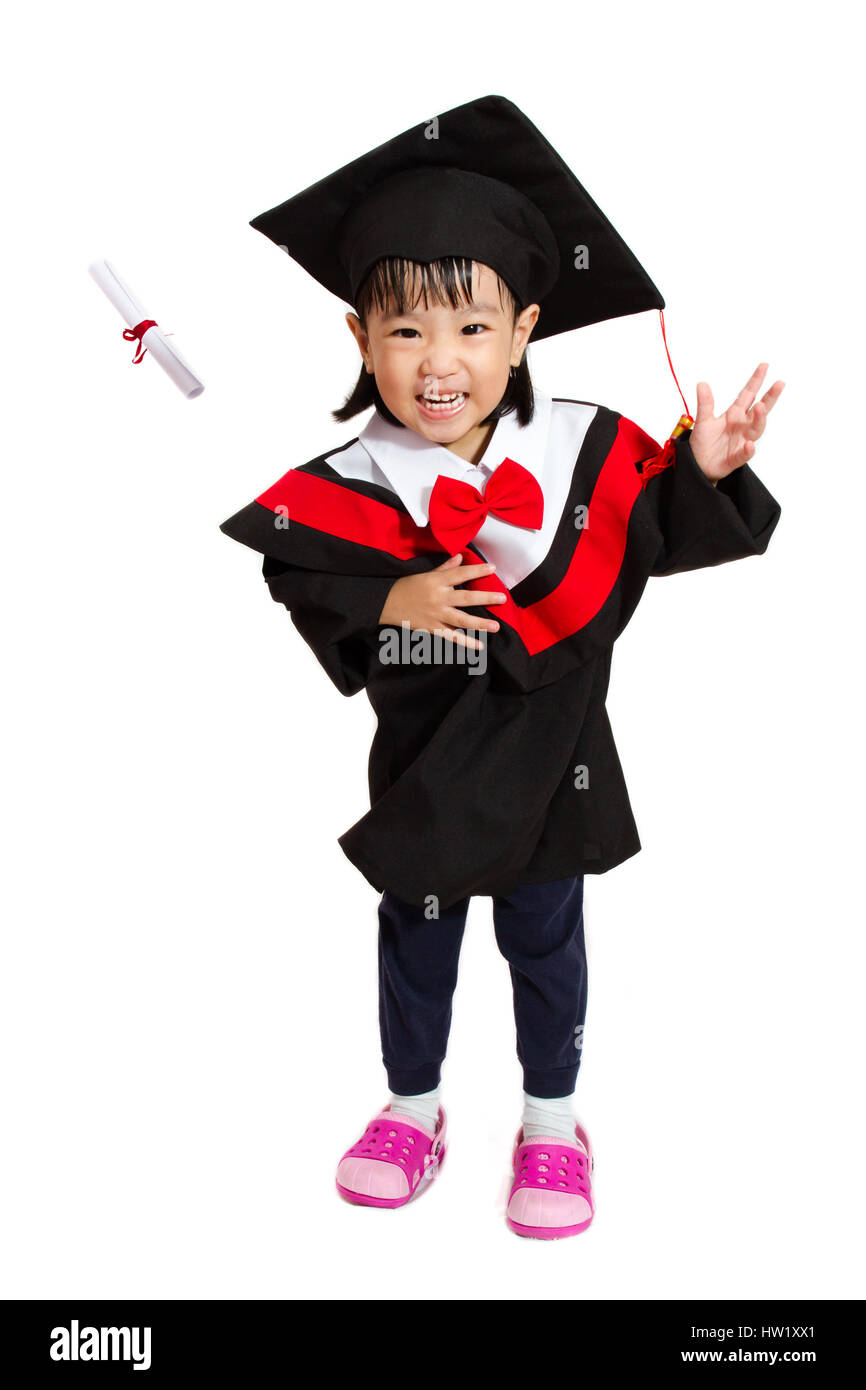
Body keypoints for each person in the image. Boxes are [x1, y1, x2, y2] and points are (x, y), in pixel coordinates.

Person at [220, 95, 783, 1239]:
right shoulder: (346, 482)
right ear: (358, 340)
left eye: (471, 329)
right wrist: (394, 594)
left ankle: (551, 1122)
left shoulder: (587, 447)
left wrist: (706, 472)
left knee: (543, 939)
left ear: (523, 328)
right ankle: (411, 1108)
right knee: (416, 935)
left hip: (554, 760)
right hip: (426, 761)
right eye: (406, 331)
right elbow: (297, 575)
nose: (439, 364)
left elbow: (655, 530)